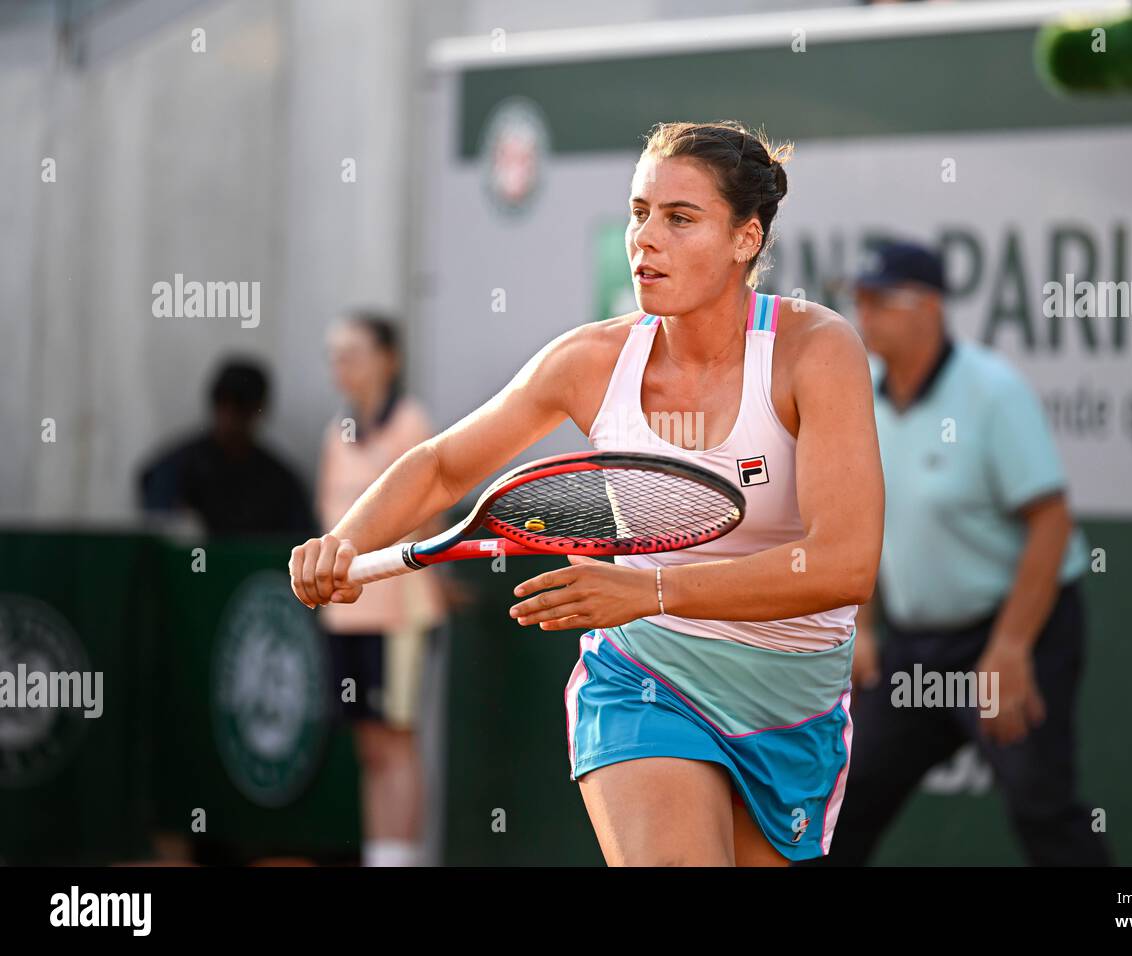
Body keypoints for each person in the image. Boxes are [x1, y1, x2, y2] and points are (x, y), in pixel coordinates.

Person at [289, 121, 885, 867]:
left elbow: (842, 565)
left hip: (794, 705)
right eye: (639, 213)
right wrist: (345, 540)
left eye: (679, 218)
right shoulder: (589, 360)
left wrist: (653, 590)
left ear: (745, 239)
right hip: (646, 678)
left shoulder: (816, 351)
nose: (646, 239)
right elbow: (442, 467)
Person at [806, 239, 1111, 867]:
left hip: (1015, 632)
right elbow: (857, 518)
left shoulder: (994, 392)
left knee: (1039, 804)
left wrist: (1010, 647)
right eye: (858, 301)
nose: (864, 316)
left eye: (880, 300)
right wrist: (861, 627)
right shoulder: (858, 393)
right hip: (916, 646)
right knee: (847, 799)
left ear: (931, 308)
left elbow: (1051, 522)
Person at [316, 311, 451, 867]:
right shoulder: (335, 433)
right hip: (345, 616)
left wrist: (437, 576)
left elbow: (427, 518)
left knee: (397, 742)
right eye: (335, 355)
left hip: (402, 614)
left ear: (388, 358)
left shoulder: (411, 422)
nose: (341, 366)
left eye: (354, 352)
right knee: (370, 747)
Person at [138, 358, 314, 536]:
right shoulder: (178, 466)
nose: (228, 414)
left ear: (258, 409)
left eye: (240, 404)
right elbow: (157, 517)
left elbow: (297, 540)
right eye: (221, 401)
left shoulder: (280, 482)